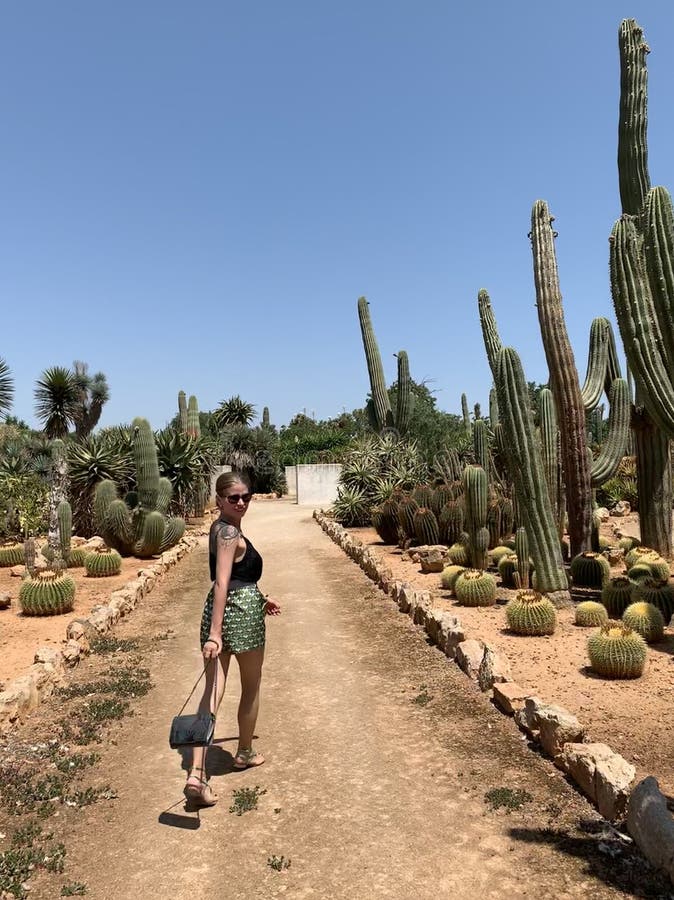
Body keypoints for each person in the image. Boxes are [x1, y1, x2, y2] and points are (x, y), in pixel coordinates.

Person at [184, 472, 281, 806]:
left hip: (230, 610)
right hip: (239, 621)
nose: (241, 502)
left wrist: (260, 596)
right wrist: (215, 635)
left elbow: (235, 579)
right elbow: (222, 581)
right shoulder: (228, 533)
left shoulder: (219, 527)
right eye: (234, 497)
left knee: (211, 693)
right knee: (250, 686)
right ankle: (244, 753)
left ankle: (196, 772)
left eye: (246, 497)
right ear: (219, 500)